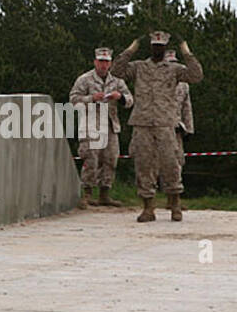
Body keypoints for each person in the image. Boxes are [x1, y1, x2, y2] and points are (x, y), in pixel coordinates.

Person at [110, 31, 203, 222]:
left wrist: (186, 52)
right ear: (150, 48)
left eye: (161, 47)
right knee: (144, 164)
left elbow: (196, 75)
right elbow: (116, 72)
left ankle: (175, 204)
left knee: (171, 163)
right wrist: (130, 49)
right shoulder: (139, 67)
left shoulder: (174, 69)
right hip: (143, 122)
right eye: (155, 46)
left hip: (166, 122)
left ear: (165, 49)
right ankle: (148, 208)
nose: (157, 50)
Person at [69, 47, 132, 207]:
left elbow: (130, 100)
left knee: (110, 159)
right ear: (95, 62)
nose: (103, 65)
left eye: (106, 62)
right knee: (91, 158)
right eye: (101, 62)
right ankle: (86, 193)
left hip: (110, 124)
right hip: (91, 124)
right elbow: (73, 100)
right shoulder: (85, 79)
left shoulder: (116, 81)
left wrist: (121, 97)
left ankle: (105, 193)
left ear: (110, 63)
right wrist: (91, 98)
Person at [164, 48, 195, 172]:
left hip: (177, 128)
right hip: (158, 127)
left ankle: (175, 189)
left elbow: (187, 108)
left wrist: (189, 129)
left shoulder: (183, 85)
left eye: (174, 63)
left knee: (177, 160)